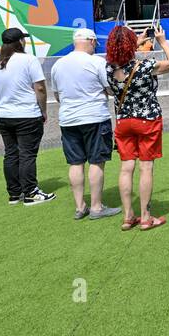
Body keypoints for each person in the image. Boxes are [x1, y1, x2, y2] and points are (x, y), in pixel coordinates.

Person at [107, 23, 169, 232]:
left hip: (123, 120)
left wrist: (134, 41)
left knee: (126, 167)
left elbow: (122, 55)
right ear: (131, 45)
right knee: (145, 167)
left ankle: (128, 216)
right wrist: (162, 42)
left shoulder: (109, 67)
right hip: (147, 119)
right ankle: (146, 217)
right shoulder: (146, 66)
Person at [50, 28, 121, 221]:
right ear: (91, 41)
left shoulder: (58, 64)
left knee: (76, 162)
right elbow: (111, 90)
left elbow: (57, 95)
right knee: (96, 161)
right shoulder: (97, 62)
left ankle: (80, 206)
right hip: (94, 117)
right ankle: (97, 206)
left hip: (68, 119)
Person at [0, 27, 54, 206]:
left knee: (11, 154)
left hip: (3, 114)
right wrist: (43, 110)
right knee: (27, 154)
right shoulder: (28, 59)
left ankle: (14, 193)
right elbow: (40, 88)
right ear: (20, 41)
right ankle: (31, 192)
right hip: (26, 114)